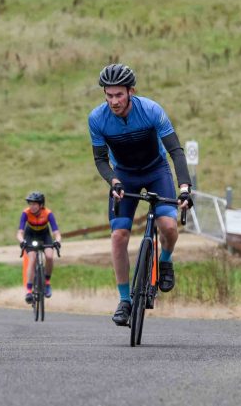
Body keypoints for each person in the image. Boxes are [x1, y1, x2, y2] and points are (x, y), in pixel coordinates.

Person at [88, 63, 192, 327]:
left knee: (168, 225)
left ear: (130, 91)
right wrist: (113, 181)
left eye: (118, 95)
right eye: (108, 95)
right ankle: (125, 300)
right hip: (124, 175)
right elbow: (101, 160)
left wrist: (184, 189)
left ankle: (165, 262)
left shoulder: (151, 111)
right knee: (118, 235)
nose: (113, 101)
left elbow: (176, 152)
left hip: (156, 170)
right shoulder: (97, 119)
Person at [16, 191, 61, 303]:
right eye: (30, 204)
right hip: (30, 235)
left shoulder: (48, 213)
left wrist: (57, 241)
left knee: (49, 256)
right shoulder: (25, 213)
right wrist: (22, 241)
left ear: (41, 205)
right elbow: (19, 232)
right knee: (32, 258)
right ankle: (29, 291)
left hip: (44, 235)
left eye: (34, 204)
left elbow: (56, 232)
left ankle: (46, 282)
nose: (31, 206)